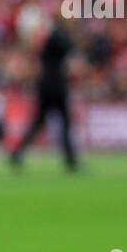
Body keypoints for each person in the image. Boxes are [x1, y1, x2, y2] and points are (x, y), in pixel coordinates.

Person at [9, 18, 78, 171]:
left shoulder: (46, 41)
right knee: (64, 123)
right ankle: (71, 161)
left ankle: (17, 153)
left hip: (45, 85)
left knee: (38, 123)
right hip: (56, 86)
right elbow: (67, 47)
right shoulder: (57, 38)